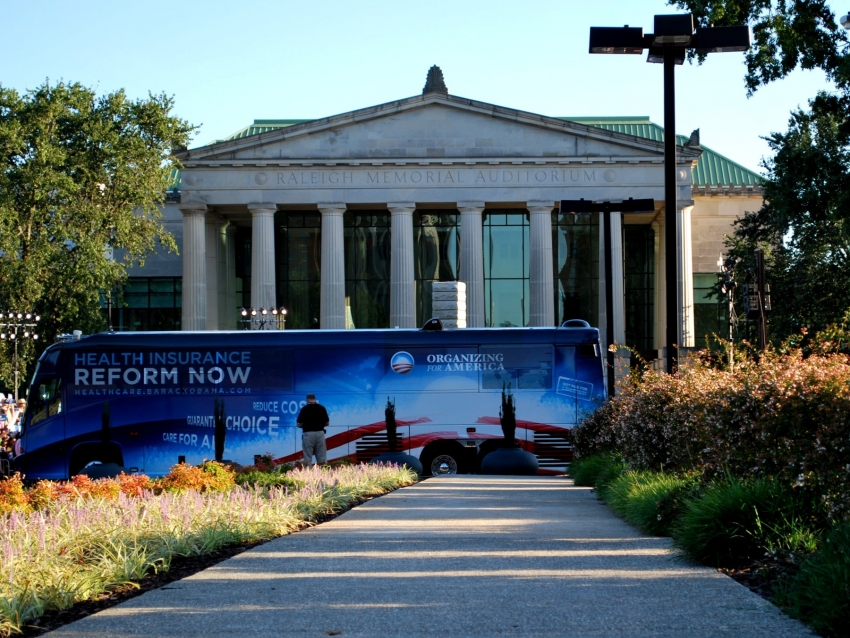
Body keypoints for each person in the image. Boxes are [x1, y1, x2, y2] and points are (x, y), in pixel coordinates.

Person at [296, 393, 329, 465]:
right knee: (322, 457)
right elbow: (327, 423)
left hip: (308, 434)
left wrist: (304, 425)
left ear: (307, 400)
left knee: (307, 458)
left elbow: (298, 424)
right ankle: (323, 474)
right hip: (320, 433)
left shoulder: (304, 409)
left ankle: (308, 475)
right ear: (315, 399)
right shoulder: (322, 408)